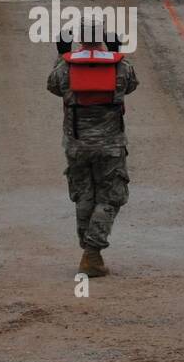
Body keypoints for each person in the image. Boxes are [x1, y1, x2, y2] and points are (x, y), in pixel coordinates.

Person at [47, 38, 138, 277]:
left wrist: (61, 54)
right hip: (111, 146)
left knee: (84, 196)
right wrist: (117, 52)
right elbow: (130, 85)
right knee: (111, 197)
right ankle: (92, 252)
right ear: (103, 39)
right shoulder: (120, 67)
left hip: (77, 145)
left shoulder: (66, 67)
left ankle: (89, 252)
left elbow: (54, 86)